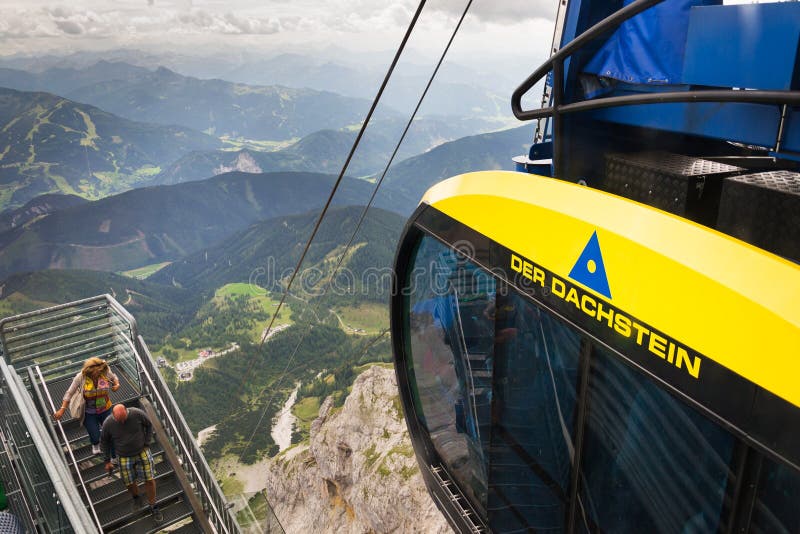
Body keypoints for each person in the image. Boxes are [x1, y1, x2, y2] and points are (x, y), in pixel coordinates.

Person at [101, 404, 163, 523]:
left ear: (127, 411)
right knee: (129, 481)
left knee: (149, 479)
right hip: (124, 456)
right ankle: (136, 497)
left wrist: (147, 443)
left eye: (124, 418)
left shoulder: (137, 413)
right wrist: (107, 461)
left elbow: (149, 425)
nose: (123, 422)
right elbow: (104, 442)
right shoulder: (108, 424)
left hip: (142, 451)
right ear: (113, 416)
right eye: (120, 420)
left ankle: (153, 506)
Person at [53, 357, 120, 455]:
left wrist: (117, 384)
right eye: (95, 374)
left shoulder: (104, 371)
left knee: (111, 432)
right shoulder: (80, 377)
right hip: (89, 412)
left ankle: (114, 457)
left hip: (106, 408)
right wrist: (62, 409)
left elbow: (114, 377)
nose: (97, 376)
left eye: (99, 374)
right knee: (95, 434)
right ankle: (95, 444)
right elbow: (69, 393)